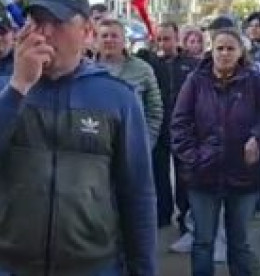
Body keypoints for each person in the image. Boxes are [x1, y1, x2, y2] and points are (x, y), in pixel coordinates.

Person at [0, 0, 157, 276]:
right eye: (38, 21)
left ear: (87, 32)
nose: (46, 32)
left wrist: (143, 269)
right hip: (11, 264)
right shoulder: (1, 90)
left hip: (92, 265)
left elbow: (138, 193)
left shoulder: (118, 97)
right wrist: (18, 87)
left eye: (58, 22)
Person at [171, 27, 260, 276]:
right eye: (220, 48)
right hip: (204, 176)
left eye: (231, 48)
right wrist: (194, 159)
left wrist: (257, 137)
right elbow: (179, 124)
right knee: (203, 242)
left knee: (240, 243)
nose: (224, 53)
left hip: (244, 175)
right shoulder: (195, 81)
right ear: (212, 50)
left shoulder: (254, 81)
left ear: (241, 52)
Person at [152, 22, 198, 231]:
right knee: (159, 173)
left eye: (167, 39)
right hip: (159, 127)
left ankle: (185, 218)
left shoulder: (192, 64)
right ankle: (162, 214)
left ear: (177, 38)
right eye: (159, 39)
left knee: (184, 175)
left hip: (184, 129)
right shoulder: (151, 64)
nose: (163, 44)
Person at [96, 18, 163, 149]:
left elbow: (155, 111)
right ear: (97, 40)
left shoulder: (143, 70)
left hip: (131, 145)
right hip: (96, 146)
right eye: (104, 36)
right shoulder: (85, 70)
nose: (109, 40)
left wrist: (146, 144)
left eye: (114, 36)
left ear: (123, 40)